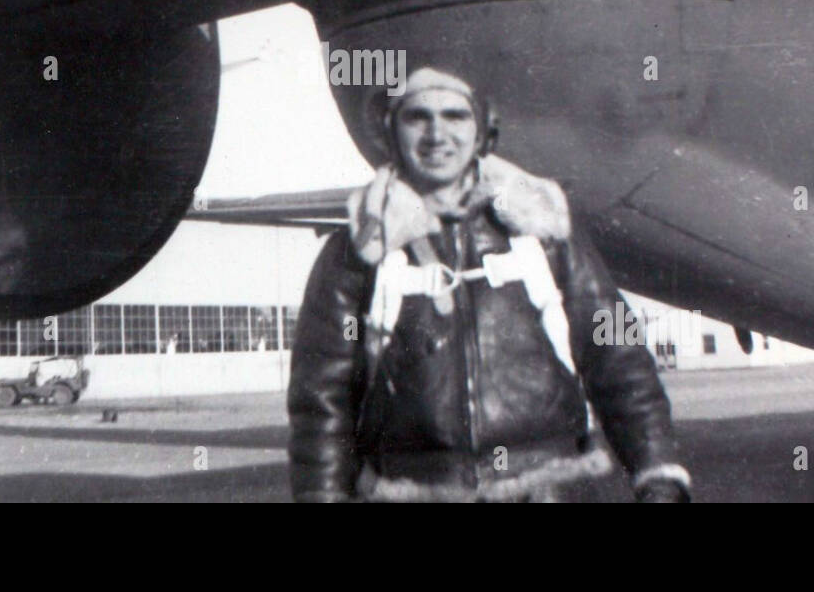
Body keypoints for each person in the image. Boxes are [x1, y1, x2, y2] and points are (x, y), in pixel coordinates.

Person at [288, 66, 690, 502]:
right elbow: (321, 400)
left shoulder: (545, 235)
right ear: (391, 131)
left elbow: (619, 355)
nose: (437, 134)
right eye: (417, 117)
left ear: (482, 131)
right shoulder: (355, 254)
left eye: (455, 116)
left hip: (548, 489)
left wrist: (658, 473)